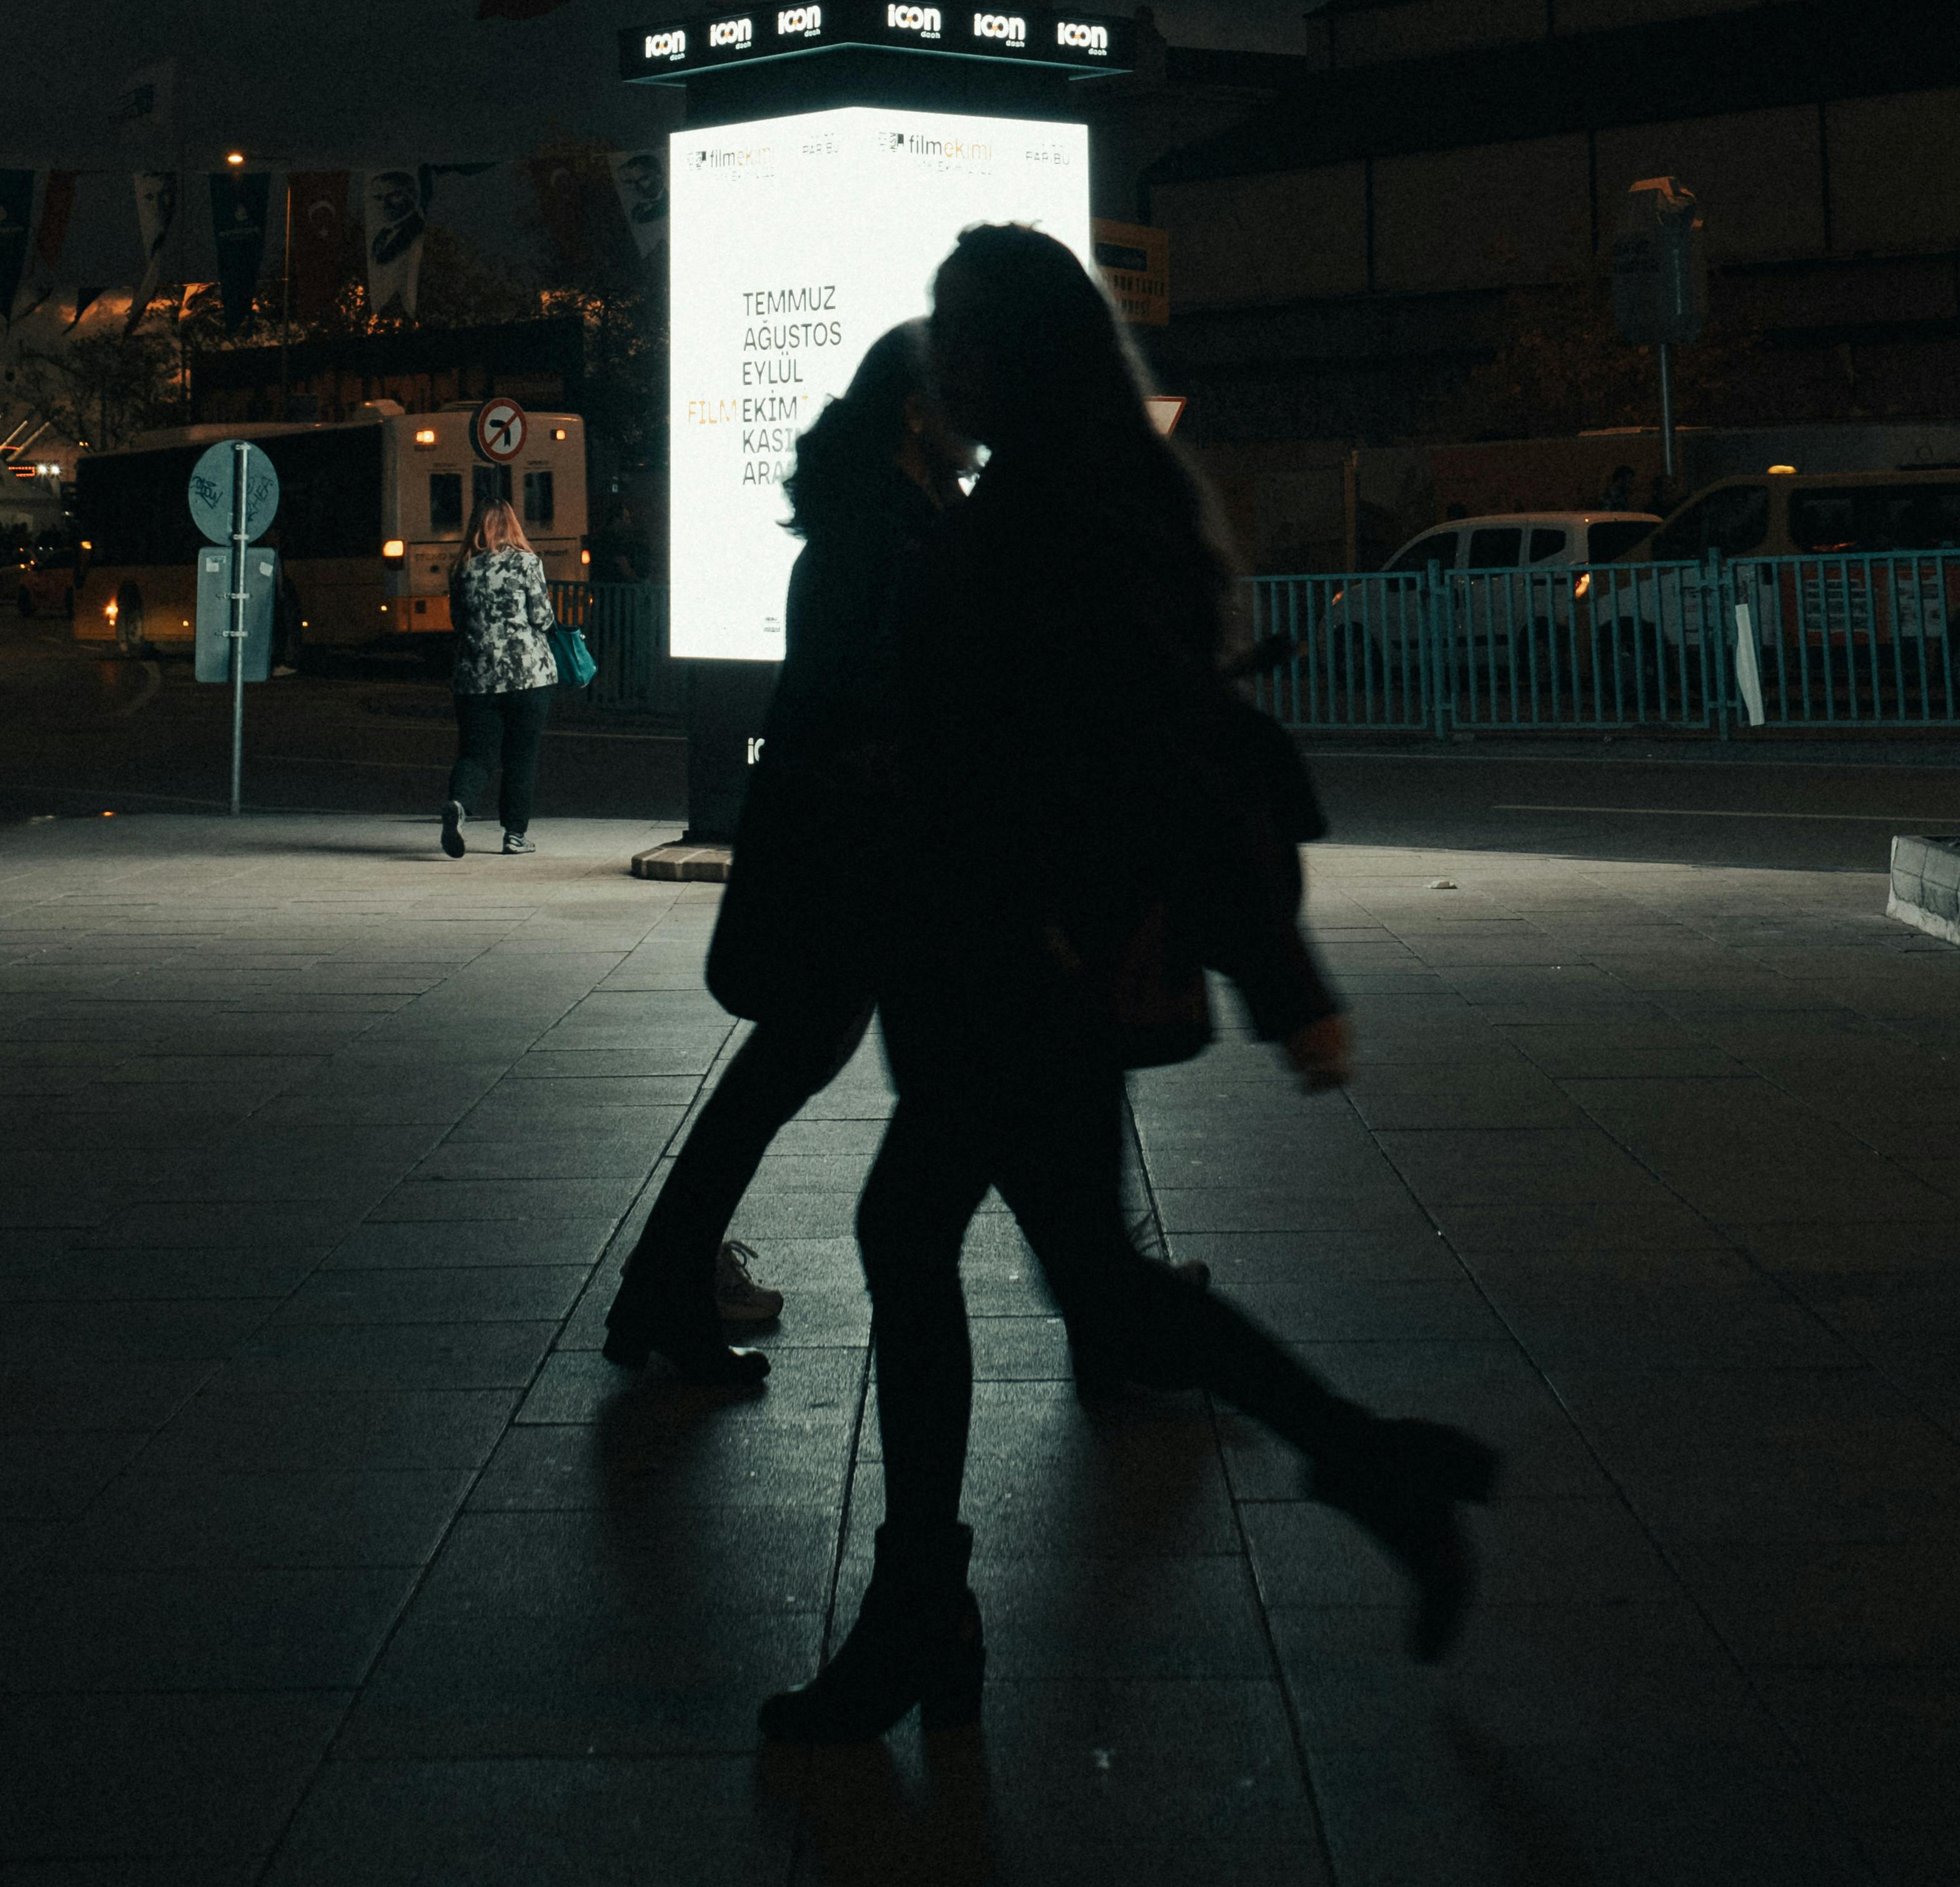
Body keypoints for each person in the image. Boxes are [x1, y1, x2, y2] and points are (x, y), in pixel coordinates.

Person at [758, 223, 1499, 1749]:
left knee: (915, 1231)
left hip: (1030, 960)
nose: (942, 358)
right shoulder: (1044, 490)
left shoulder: (1071, 508)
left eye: (963, 331)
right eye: (937, 330)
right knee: (1095, 1283)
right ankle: (1372, 1470)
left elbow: (1168, 748)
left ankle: (921, 1610)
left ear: (1019, 350)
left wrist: (1286, 981)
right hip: (1006, 953)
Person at [605, 323, 965, 1388]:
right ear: (911, 407)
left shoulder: (882, 524)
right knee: (782, 1085)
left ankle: (657, 1293)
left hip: (843, 862)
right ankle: (659, 1293)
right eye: (958, 390)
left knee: (771, 1085)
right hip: (854, 869)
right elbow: (881, 710)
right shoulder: (884, 537)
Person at [440, 489, 556, 856]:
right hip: (528, 675)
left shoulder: (461, 568)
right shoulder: (527, 562)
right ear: (512, 525)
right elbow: (542, 617)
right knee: (521, 756)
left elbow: (458, 622)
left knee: (475, 753)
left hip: (475, 677)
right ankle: (515, 835)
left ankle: (459, 805)